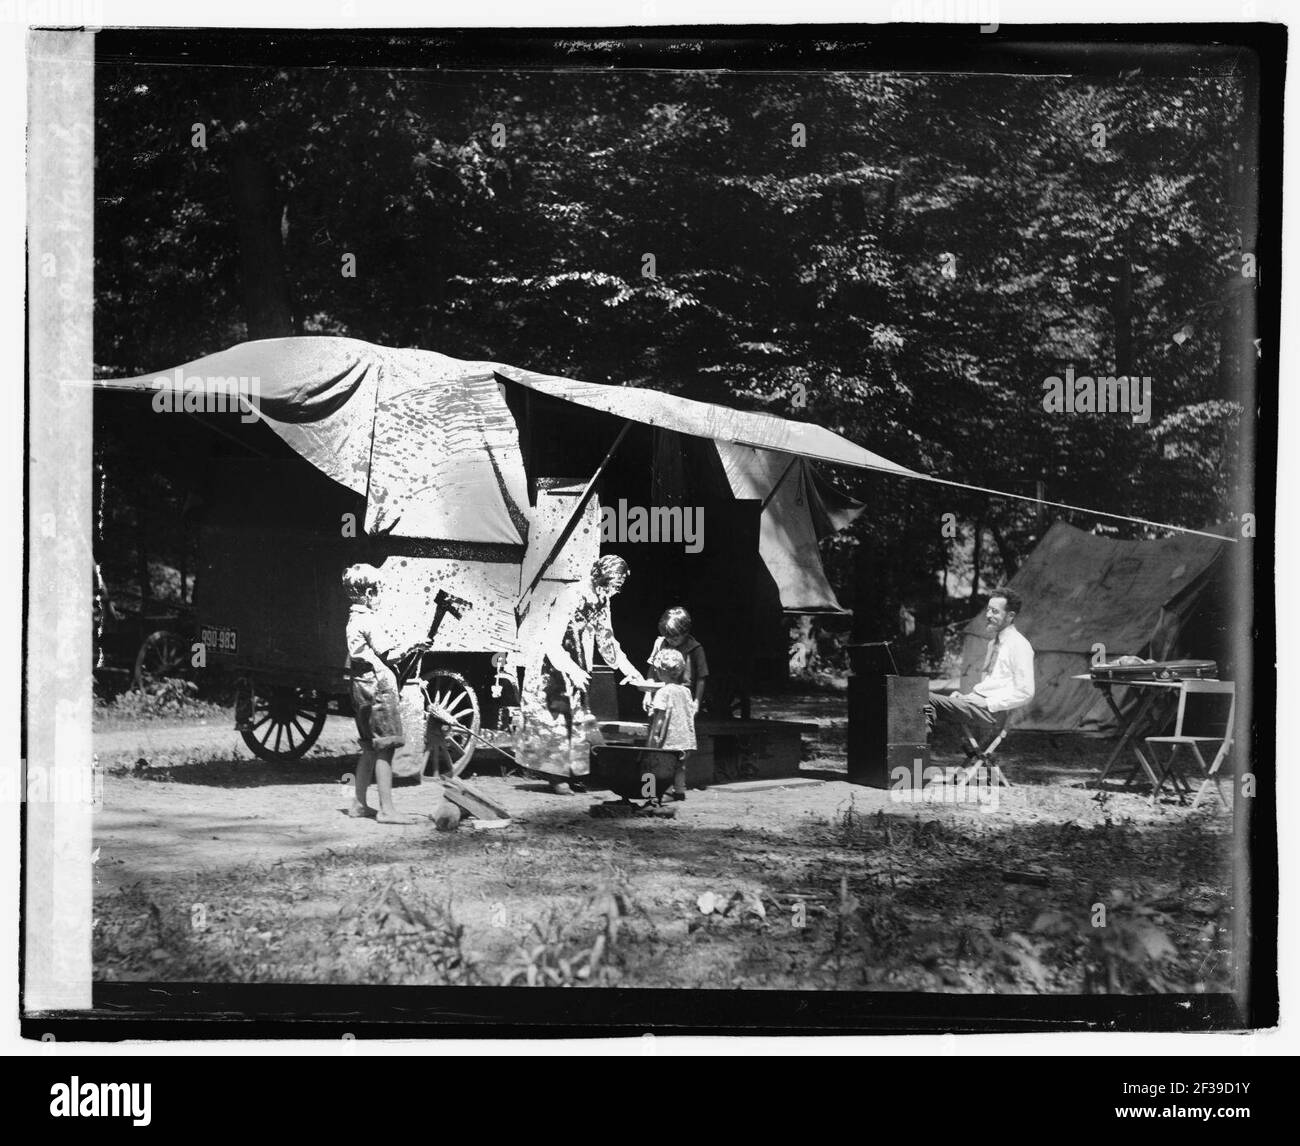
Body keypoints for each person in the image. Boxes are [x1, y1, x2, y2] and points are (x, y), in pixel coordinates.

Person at [516, 555, 651, 794]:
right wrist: (573, 670)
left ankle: (575, 774)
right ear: (603, 579)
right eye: (615, 585)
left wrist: (632, 672)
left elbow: (607, 641)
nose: (616, 592)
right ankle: (557, 778)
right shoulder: (571, 595)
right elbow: (551, 641)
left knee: (578, 719)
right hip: (552, 664)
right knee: (555, 720)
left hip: (577, 663)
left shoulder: (602, 599)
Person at [342, 563, 425, 825]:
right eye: (378, 591)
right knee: (385, 747)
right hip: (379, 687)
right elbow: (389, 653)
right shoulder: (368, 620)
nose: (380, 596)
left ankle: (357, 803)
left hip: (360, 687)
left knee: (368, 747)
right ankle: (387, 810)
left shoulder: (353, 619)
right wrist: (415, 645)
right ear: (367, 592)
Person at [925, 587, 1034, 745]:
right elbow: (993, 685)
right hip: (978, 707)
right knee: (919, 696)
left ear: (1010, 616)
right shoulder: (993, 644)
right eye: (988, 610)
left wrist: (989, 703)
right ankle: (916, 746)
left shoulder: (1019, 645)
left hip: (991, 713)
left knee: (922, 697)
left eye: (995, 611)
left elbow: (1026, 692)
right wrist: (968, 698)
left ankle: (915, 750)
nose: (988, 615)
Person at [646, 646, 696, 801]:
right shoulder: (685, 691)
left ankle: (663, 793)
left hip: (669, 739)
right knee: (680, 766)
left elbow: (660, 717)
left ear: (661, 672)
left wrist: (654, 736)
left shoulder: (663, 692)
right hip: (686, 738)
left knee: (662, 767)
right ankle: (680, 791)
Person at [646, 606, 709, 713]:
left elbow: (701, 678)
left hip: (683, 698)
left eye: (675, 638)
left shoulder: (695, 649)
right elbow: (652, 670)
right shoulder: (660, 643)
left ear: (685, 633)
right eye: (667, 637)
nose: (670, 641)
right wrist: (647, 694)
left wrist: (697, 703)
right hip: (660, 696)